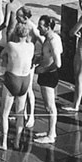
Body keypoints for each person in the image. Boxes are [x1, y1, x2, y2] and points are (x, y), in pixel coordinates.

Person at [0, 21, 34, 150]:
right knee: (20, 114)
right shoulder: (31, 46)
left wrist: (5, 66)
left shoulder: (11, 45)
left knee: (4, 114)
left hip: (12, 78)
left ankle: (4, 143)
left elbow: (1, 55)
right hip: (25, 80)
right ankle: (16, 141)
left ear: (16, 33)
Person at [33, 15, 62, 144]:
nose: (38, 28)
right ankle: (51, 131)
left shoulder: (53, 41)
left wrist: (44, 70)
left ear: (48, 27)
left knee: (50, 107)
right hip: (46, 73)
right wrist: (38, 60)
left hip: (49, 75)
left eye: (40, 26)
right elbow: (46, 56)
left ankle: (50, 135)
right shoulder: (49, 38)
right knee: (48, 106)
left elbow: (58, 63)